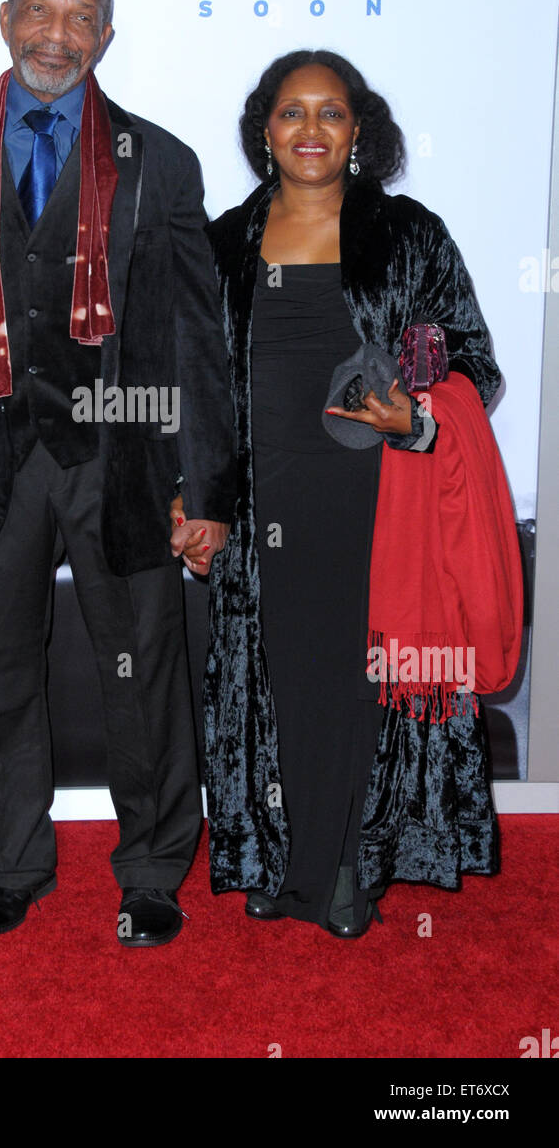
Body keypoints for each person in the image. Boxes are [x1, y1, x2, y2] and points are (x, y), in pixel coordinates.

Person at [0, 0, 235, 945]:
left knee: (142, 671)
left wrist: (201, 485)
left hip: (122, 456)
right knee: (1, 670)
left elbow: (191, 338)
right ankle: (11, 867)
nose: (57, 33)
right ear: (3, 19)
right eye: (38, 12)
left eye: (79, 17)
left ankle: (152, 872)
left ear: (105, 35)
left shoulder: (155, 161)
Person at [203, 49, 504, 937]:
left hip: (379, 504)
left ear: (359, 132)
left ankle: (347, 866)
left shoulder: (409, 236)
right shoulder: (222, 244)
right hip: (262, 505)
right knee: (273, 680)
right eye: (291, 113)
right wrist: (199, 498)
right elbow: (195, 390)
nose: (310, 131)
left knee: (355, 679)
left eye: (330, 114)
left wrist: (416, 417)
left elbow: (474, 366)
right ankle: (284, 859)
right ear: (264, 131)